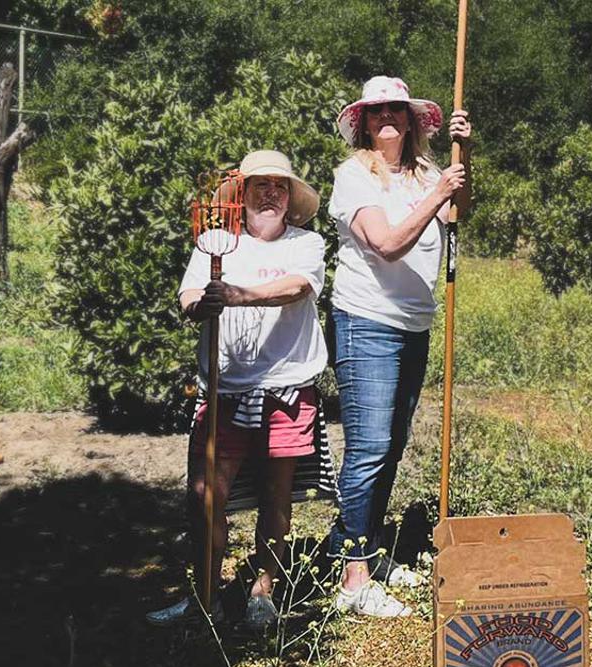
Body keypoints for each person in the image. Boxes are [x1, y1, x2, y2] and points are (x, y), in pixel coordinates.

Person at [146, 150, 330, 631]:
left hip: (286, 388)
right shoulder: (214, 242)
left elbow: (297, 288)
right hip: (226, 391)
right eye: (260, 185)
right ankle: (203, 596)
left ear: (290, 199)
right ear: (241, 195)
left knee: (276, 496)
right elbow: (188, 296)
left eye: (280, 186)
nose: (270, 193)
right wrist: (200, 307)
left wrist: (238, 295)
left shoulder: (306, 244)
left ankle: (261, 592)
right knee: (205, 496)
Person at [325, 76, 471, 618]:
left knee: (392, 443)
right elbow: (385, 244)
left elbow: (460, 210)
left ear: (411, 120)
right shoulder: (352, 177)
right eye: (377, 110)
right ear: (363, 121)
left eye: (397, 109)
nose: (387, 117)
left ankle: (361, 544)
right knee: (368, 446)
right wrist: (438, 194)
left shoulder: (429, 172)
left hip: (414, 323)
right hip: (366, 320)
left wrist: (464, 157)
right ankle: (352, 576)